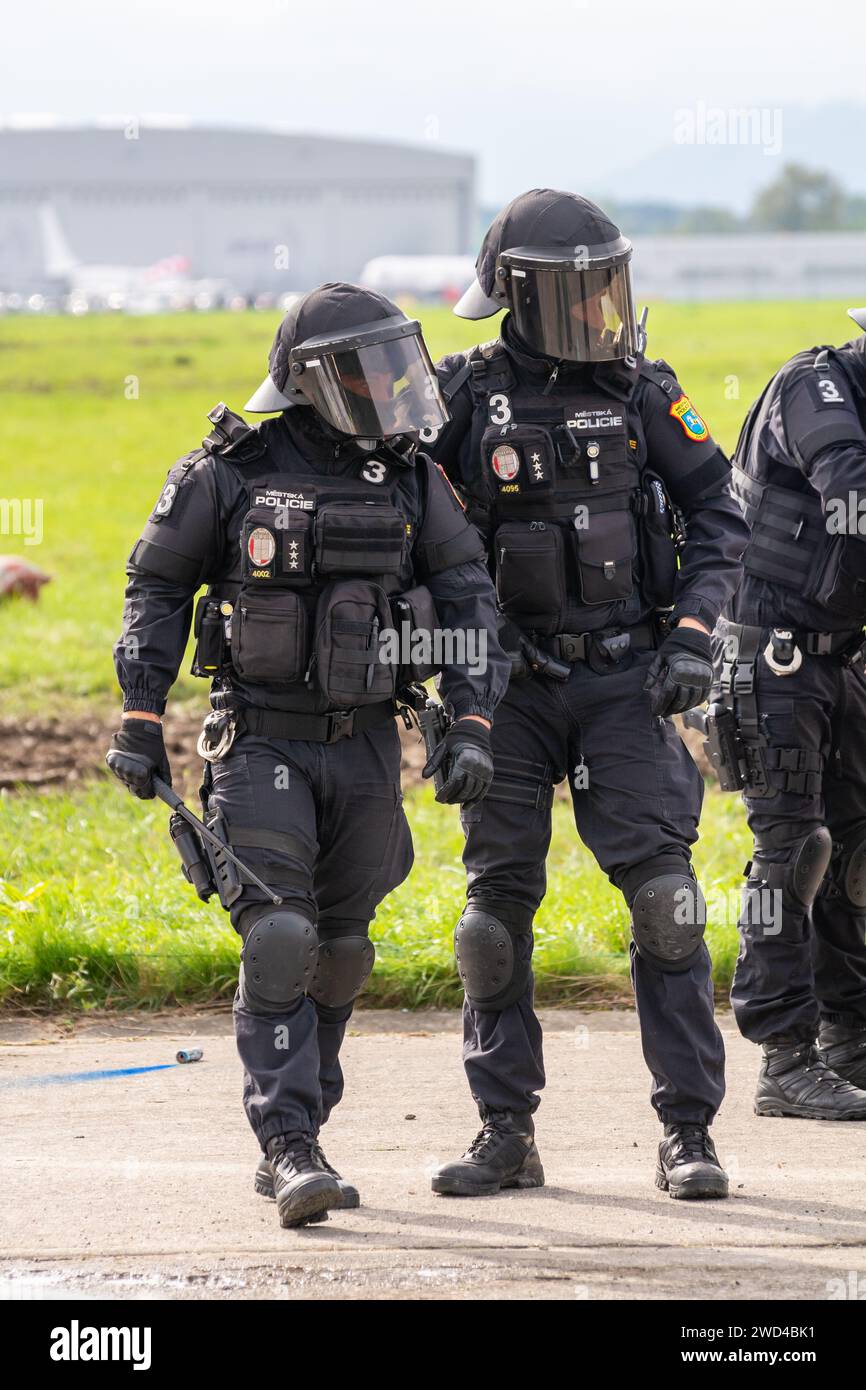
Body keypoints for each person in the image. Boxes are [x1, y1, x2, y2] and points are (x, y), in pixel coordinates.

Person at [107, 283, 509, 1227]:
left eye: (395, 367)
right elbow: (156, 583)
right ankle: (289, 1144)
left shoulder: (411, 475)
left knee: (341, 951)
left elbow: (467, 594)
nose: (391, 389)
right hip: (260, 743)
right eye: (369, 372)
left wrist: (473, 719)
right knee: (280, 937)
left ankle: (305, 1117)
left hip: (368, 743)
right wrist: (138, 710)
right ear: (308, 382)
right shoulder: (228, 470)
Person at [423, 189, 749, 1200]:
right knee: (490, 921)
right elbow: (407, 531)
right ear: (518, 294)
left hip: (628, 679)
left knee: (666, 904)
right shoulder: (461, 400)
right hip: (505, 686)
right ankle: (504, 1132)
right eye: (577, 288)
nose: (599, 305)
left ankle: (688, 1132)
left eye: (606, 281)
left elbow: (721, 522)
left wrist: (693, 635)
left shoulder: (647, 392)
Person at [709, 304, 866, 1120]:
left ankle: (850, 1037)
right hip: (771, 657)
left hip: (839, 656)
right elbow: (850, 498)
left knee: (857, 849)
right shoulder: (818, 387)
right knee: (792, 851)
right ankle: (784, 1059)